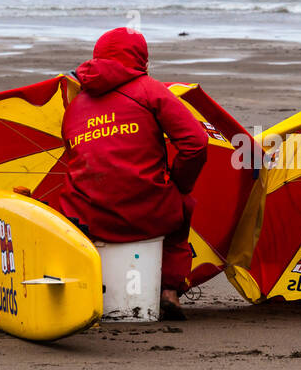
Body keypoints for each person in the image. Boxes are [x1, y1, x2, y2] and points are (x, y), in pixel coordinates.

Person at [58, 27, 208, 320]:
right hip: (148, 213)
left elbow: (77, 158)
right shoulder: (149, 89)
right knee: (182, 207)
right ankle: (169, 290)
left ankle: (81, 284)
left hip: (84, 218)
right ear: (141, 59)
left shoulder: (75, 104)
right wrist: (179, 185)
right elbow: (196, 143)